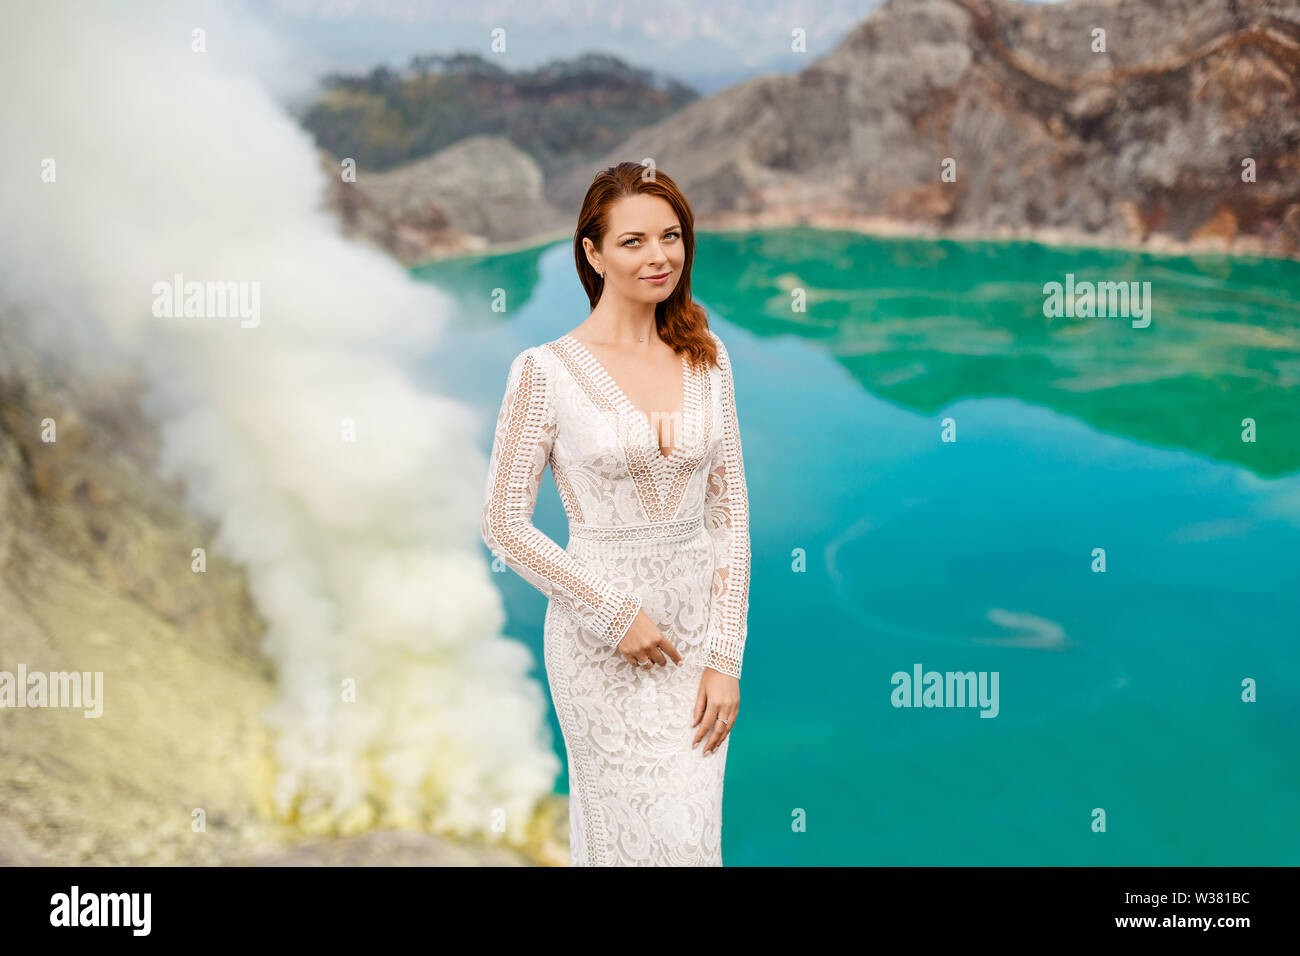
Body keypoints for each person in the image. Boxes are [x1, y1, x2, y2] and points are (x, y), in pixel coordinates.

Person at [480, 162, 751, 866]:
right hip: (599, 649)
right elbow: (504, 522)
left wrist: (726, 659)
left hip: (695, 651)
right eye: (632, 241)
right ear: (592, 254)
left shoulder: (708, 357)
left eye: (671, 236)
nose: (658, 256)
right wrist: (612, 614)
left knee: (691, 840)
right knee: (628, 844)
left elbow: (732, 517)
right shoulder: (544, 372)